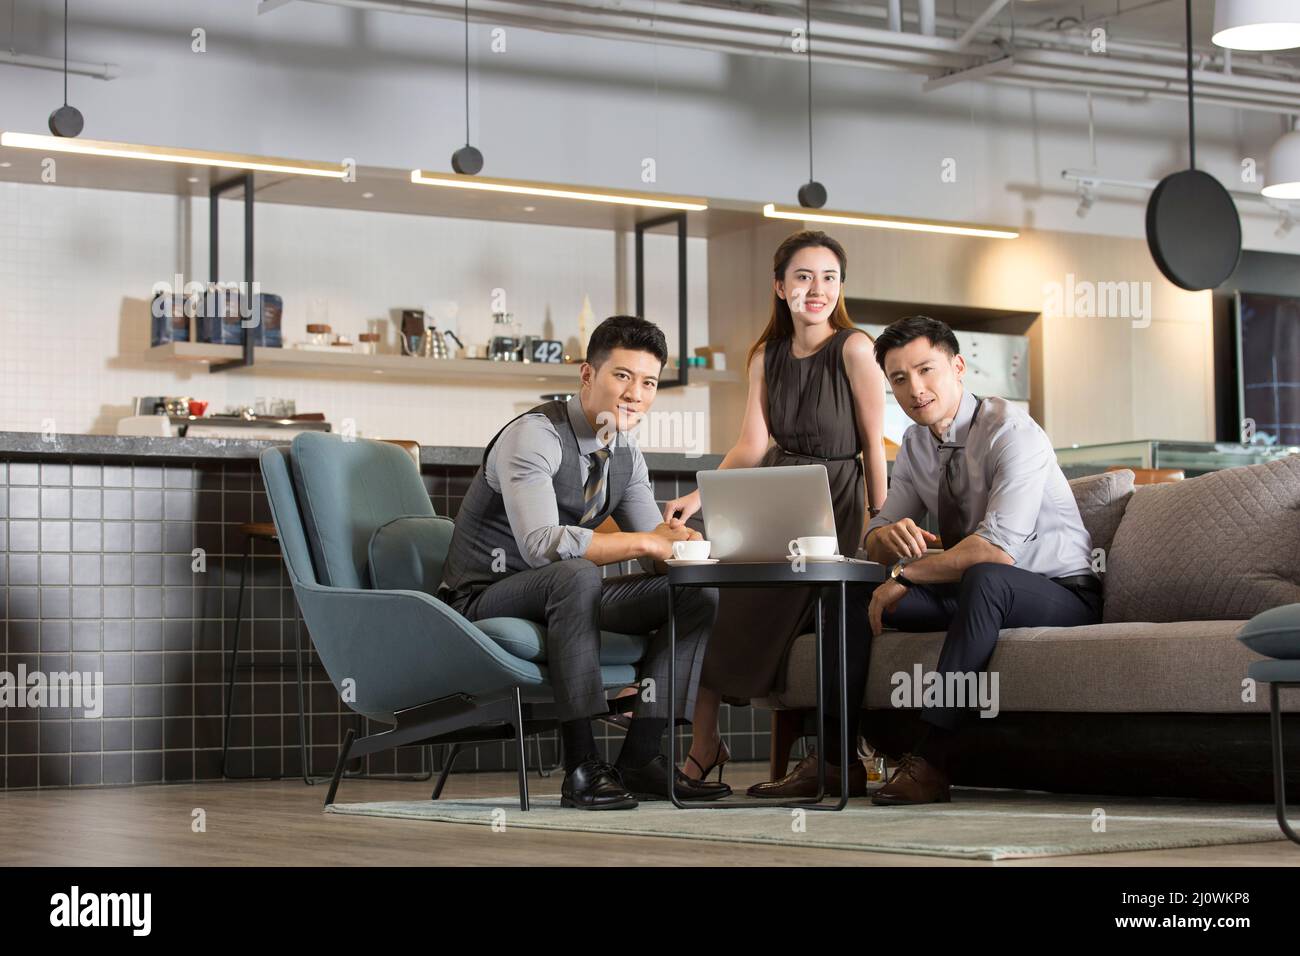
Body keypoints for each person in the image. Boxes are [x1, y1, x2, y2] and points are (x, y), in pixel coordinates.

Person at [440, 315, 728, 810]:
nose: (635, 393)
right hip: (486, 594)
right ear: (587, 376)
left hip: (567, 595)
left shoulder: (626, 455)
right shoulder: (534, 436)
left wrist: (690, 547)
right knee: (574, 572)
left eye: (649, 382)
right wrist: (647, 544)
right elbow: (541, 545)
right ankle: (580, 766)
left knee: (696, 591)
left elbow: (658, 546)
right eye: (622, 376)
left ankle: (640, 758)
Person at [662, 230, 889, 798]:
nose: (817, 289)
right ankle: (704, 746)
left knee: (791, 603)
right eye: (804, 277)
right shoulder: (766, 355)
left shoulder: (856, 347)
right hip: (779, 495)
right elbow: (751, 445)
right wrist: (700, 497)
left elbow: (874, 443)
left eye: (829, 277)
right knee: (718, 601)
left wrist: (880, 518)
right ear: (780, 286)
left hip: (836, 501)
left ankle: (831, 758)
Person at [862, 315, 1103, 805]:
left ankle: (931, 761)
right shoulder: (914, 442)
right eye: (899, 379)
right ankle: (835, 756)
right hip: (976, 593)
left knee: (988, 578)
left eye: (926, 370)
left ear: (958, 366)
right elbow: (874, 534)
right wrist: (889, 535)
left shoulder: (1011, 431)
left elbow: (995, 549)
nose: (916, 389)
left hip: (1059, 591)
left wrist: (906, 573)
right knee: (851, 591)